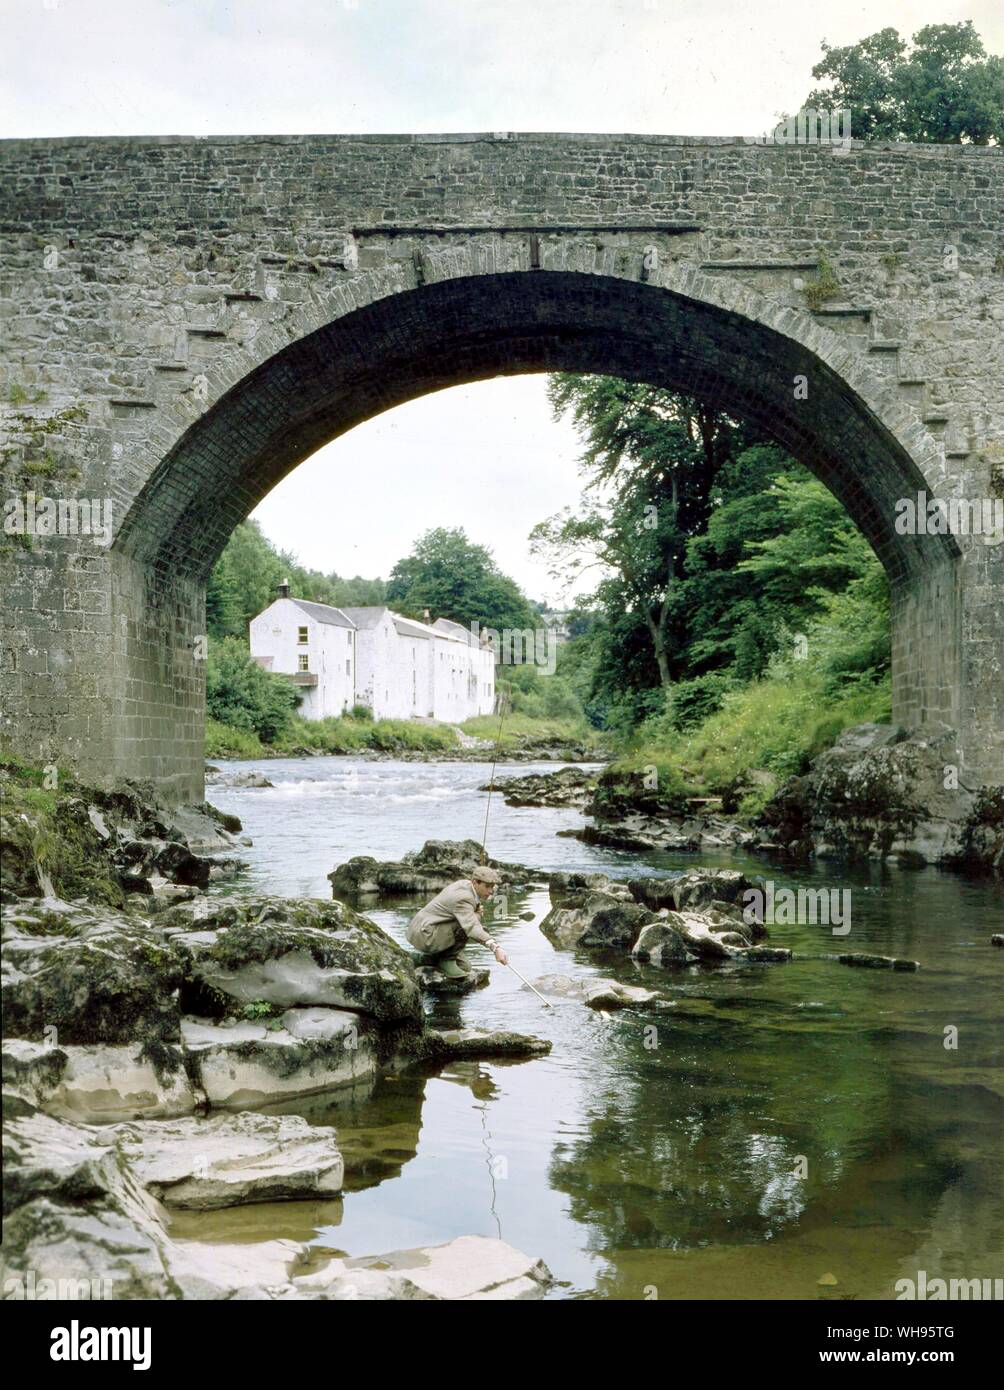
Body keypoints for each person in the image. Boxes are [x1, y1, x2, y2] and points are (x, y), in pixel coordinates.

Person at [406, 865, 510, 978]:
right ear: (475, 882)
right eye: (487, 886)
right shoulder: (463, 897)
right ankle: (447, 960)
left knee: (466, 967)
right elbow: (471, 927)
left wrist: (475, 912)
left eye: (492, 887)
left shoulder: (466, 884)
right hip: (425, 934)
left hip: (424, 928)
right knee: (465, 925)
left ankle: (424, 959)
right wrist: (495, 948)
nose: (491, 891)